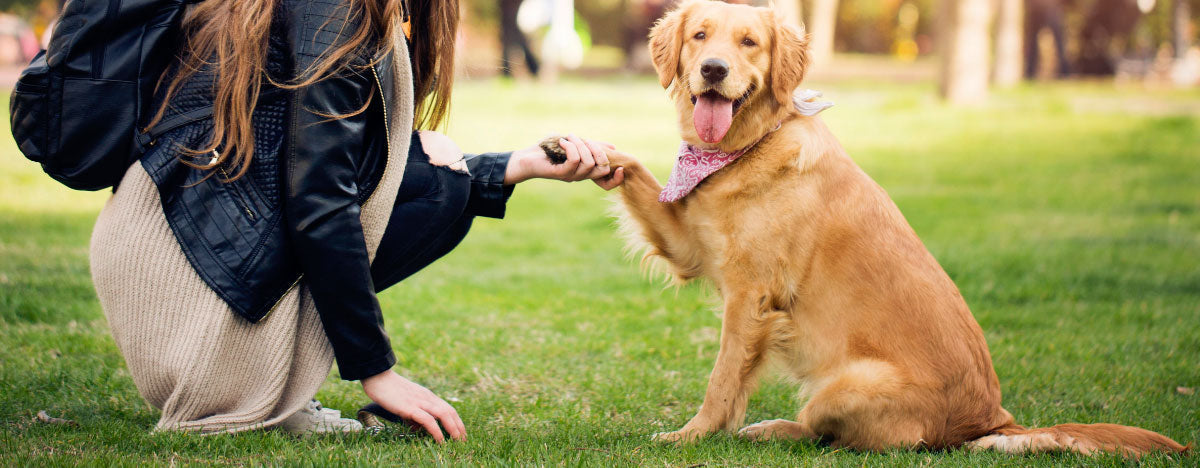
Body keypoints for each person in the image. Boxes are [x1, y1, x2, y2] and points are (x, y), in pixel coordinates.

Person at [89, 0, 624, 441]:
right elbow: (320, 197)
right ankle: (251, 376)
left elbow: (338, 166)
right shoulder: (336, 10)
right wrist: (378, 372)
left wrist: (516, 165)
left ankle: (266, 372)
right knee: (441, 180)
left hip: (186, 252)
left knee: (443, 170)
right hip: (183, 280)